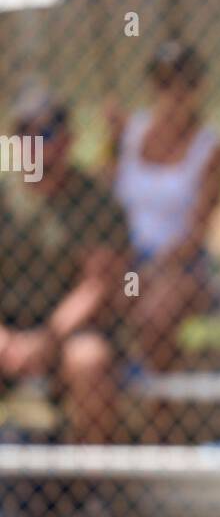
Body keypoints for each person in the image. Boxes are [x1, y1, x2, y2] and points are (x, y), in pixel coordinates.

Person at [0, 89, 129, 443]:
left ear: (68, 140)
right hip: (8, 331)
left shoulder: (94, 200)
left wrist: (48, 339)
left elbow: (97, 285)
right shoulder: (4, 196)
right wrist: (5, 339)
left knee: (88, 362)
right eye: (22, 133)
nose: (31, 144)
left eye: (43, 134)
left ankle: (92, 484)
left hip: (72, 332)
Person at [107, 42, 220, 371]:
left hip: (181, 265)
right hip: (127, 260)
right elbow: (102, 202)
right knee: (106, 298)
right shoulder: (129, 134)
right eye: (164, 83)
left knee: (153, 315)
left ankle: (160, 409)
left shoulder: (210, 148)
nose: (173, 93)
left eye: (184, 83)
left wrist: (153, 268)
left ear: (198, 88)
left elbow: (197, 233)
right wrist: (110, 143)